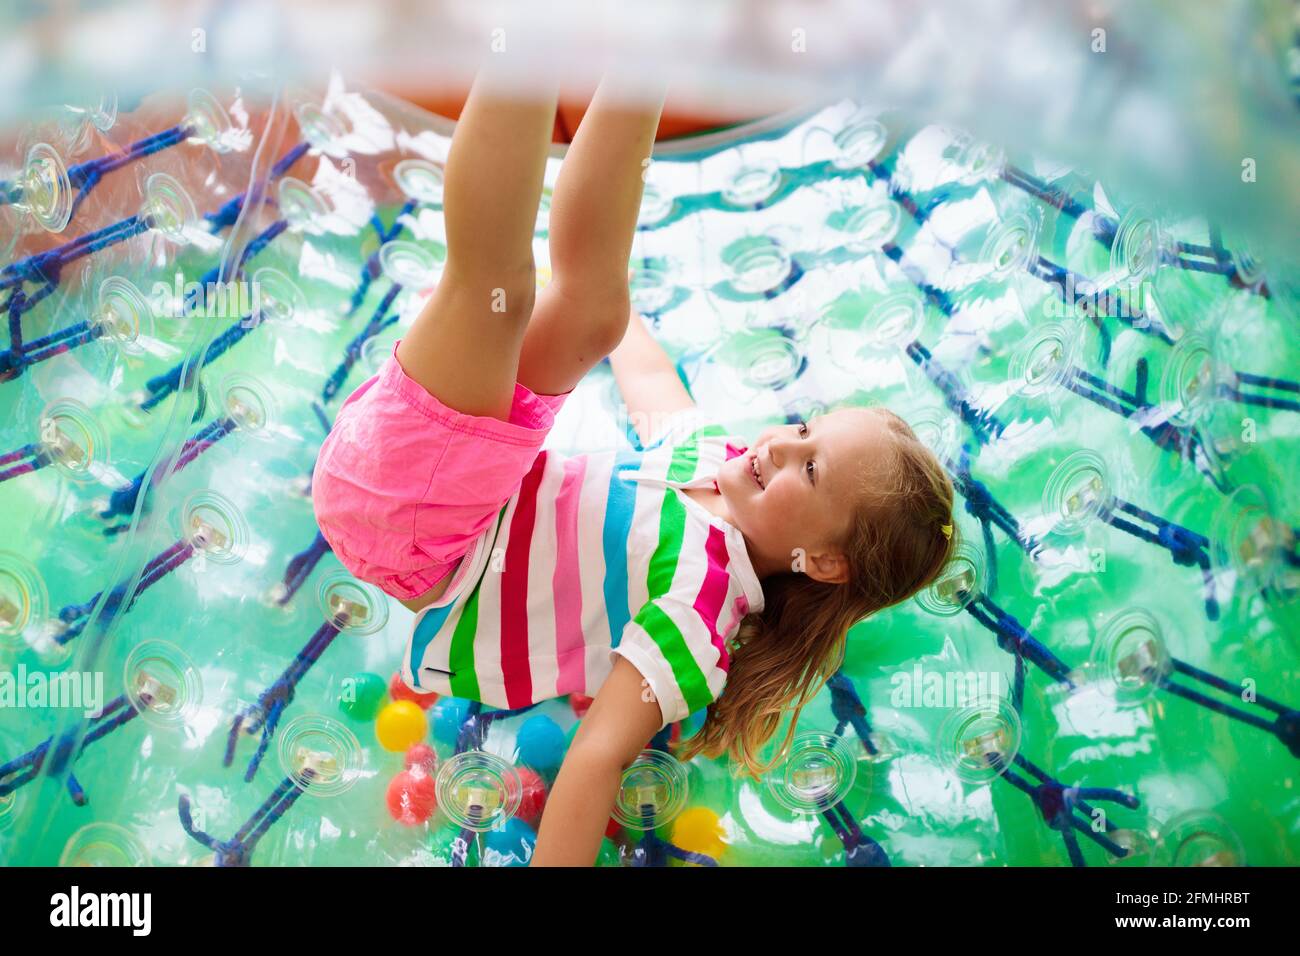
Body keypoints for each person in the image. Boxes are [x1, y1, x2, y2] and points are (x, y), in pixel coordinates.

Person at [312, 64, 959, 865]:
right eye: (804, 427)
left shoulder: (700, 617)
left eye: (812, 469)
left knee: (497, 292)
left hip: (419, 527)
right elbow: (645, 373)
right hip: (473, 488)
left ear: (824, 561)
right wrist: (602, 310)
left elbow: (595, 760)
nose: (780, 443)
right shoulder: (718, 462)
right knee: (596, 307)